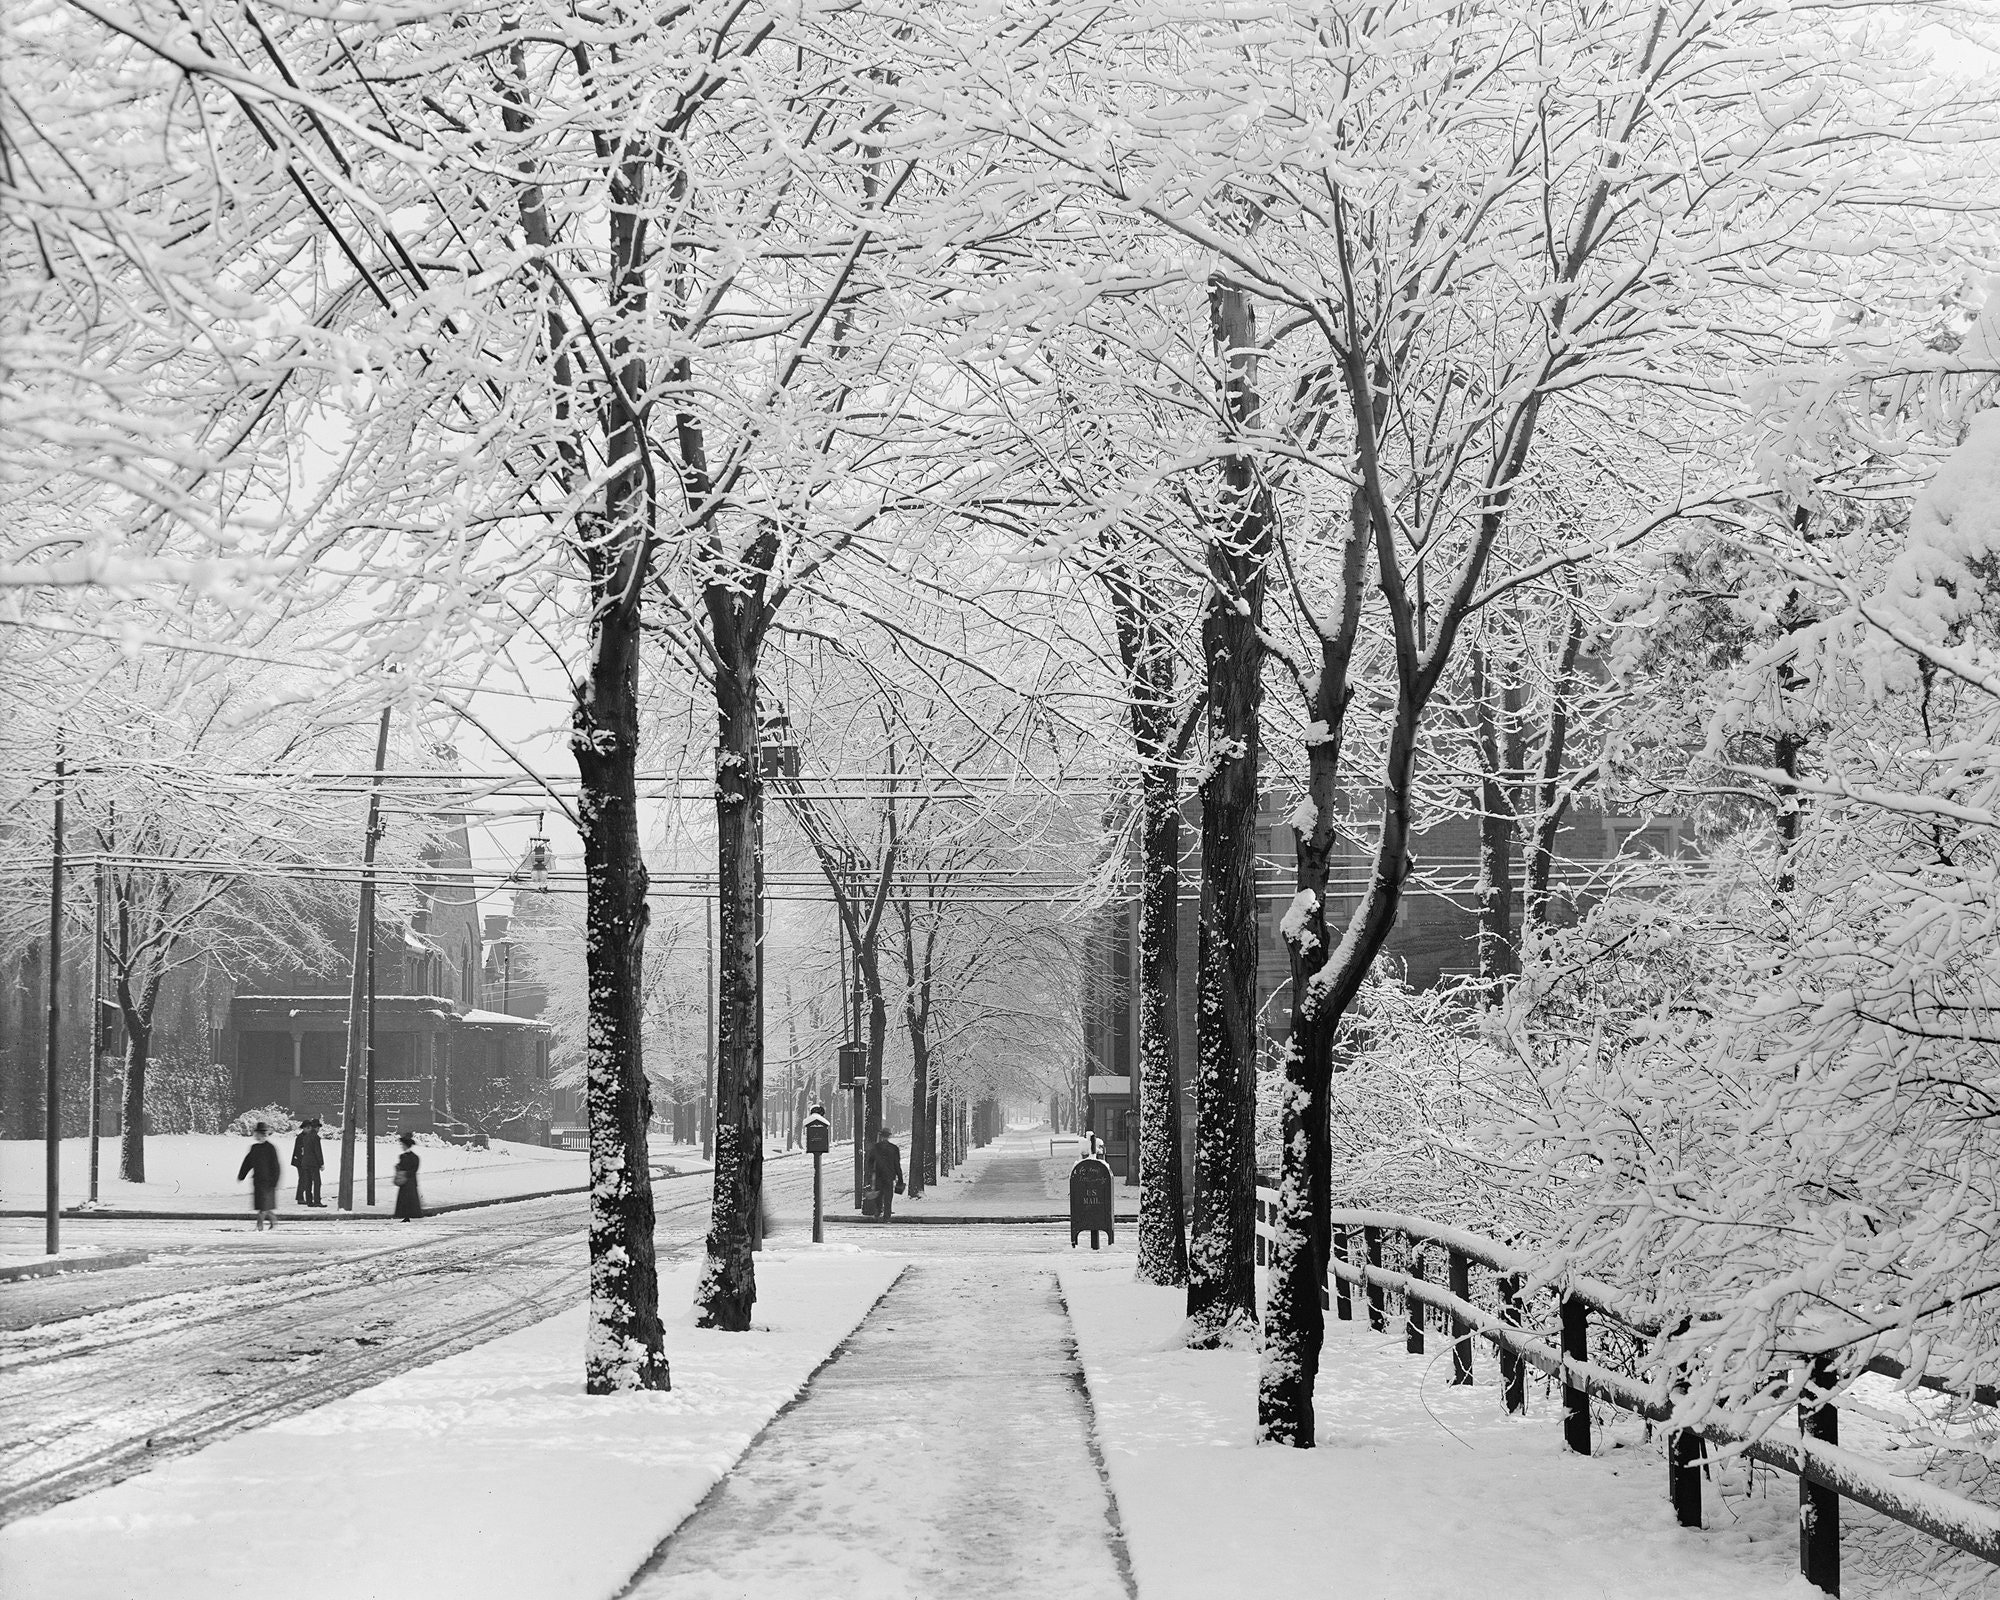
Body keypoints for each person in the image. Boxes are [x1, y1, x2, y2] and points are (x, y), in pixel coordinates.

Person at [237, 1122, 282, 1231]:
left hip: (268, 1182)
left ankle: (259, 1227)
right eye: (257, 1134)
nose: (258, 1136)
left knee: (263, 1206)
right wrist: (242, 1175)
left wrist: (275, 1181)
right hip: (258, 1181)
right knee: (264, 1206)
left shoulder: (270, 1148)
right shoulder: (254, 1148)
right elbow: (247, 1163)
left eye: (261, 1134)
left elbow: (276, 1166)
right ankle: (273, 1221)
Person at [869, 1125, 904, 1222]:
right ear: (889, 1136)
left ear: (881, 1136)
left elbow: (870, 1162)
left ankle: (878, 1211)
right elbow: (897, 1164)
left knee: (878, 1195)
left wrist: (870, 1174)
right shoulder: (894, 1148)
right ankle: (887, 1216)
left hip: (878, 1175)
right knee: (888, 1197)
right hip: (889, 1176)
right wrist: (900, 1178)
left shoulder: (876, 1147)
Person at [291, 1117, 325, 1207]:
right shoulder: (312, 1137)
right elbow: (317, 1151)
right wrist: (321, 1163)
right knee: (312, 1181)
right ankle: (313, 1200)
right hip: (308, 1162)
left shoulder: (305, 1137)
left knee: (307, 1181)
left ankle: (308, 1200)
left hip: (304, 1162)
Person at [392, 1130, 424, 1220]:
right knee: (406, 1199)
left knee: (408, 1199)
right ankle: (405, 1215)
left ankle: (408, 1215)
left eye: (403, 1145)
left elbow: (414, 1170)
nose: (402, 1146)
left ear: (406, 1145)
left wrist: (403, 1172)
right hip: (406, 1182)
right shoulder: (403, 1156)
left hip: (409, 1182)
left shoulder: (413, 1157)